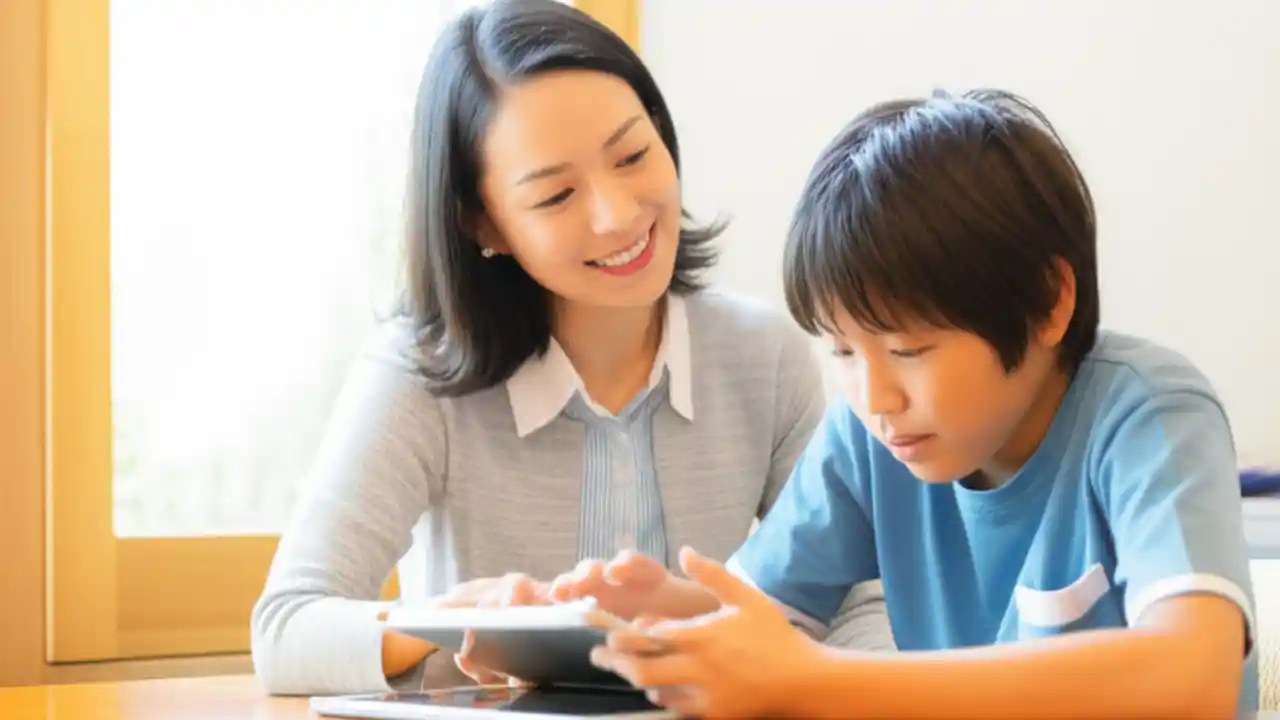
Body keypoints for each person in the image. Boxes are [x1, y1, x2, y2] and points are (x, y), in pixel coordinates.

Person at [249, 0, 892, 697]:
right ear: (481, 223)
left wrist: (845, 689)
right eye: (555, 196)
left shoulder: (762, 355)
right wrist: (446, 618)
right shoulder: (419, 376)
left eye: (634, 155)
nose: (618, 215)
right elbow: (286, 628)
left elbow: (863, 603)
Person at [557, 89, 1259, 717]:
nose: (874, 396)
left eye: (908, 350)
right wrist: (603, 628)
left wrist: (823, 681)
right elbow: (755, 627)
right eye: (840, 352)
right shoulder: (875, 436)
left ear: (1048, 302)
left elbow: (1191, 677)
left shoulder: (1149, 413)